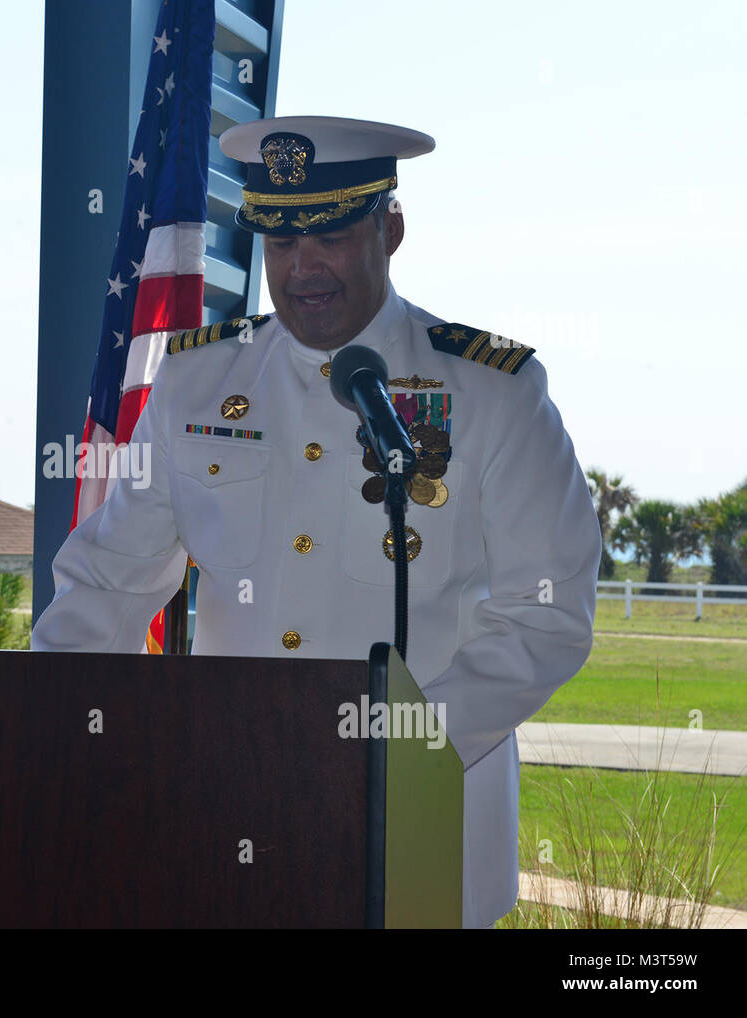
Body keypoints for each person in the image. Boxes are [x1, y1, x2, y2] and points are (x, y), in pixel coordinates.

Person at [31, 115, 601, 928]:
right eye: (279, 240)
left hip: (425, 829)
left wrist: (393, 753)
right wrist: (45, 728)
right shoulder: (198, 384)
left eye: (329, 235)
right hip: (232, 820)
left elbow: (547, 614)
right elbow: (107, 580)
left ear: (390, 227)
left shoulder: (491, 392)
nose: (303, 268)